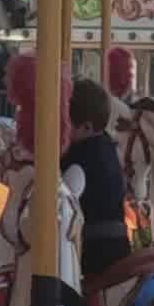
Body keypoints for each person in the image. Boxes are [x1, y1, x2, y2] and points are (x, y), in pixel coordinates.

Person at [62, 73, 135, 282]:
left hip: (93, 255)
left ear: (86, 127)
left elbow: (62, 208)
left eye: (66, 123)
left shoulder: (80, 160)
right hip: (118, 246)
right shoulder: (108, 147)